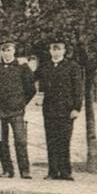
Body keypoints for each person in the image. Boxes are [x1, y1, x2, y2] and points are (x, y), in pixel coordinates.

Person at [36, 38, 84, 180]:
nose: (56, 52)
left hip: (66, 110)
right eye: (53, 49)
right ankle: (53, 171)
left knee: (64, 141)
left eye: (58, 49)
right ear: (50, 51)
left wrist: (76, 108)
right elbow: (35, 81)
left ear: (64, 50)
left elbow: (78, 89)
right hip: (50, 109)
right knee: (51, 140)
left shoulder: (72, 66)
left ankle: (65, 172)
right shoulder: (45, 66)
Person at [0, 40, 36, 179]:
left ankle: (24, 170)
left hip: (16, 111)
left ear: (14, 51)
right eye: (3, 50)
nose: (6, 53)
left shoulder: (23, 67)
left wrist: (21, 103)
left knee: (20, 141)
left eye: (9, 50)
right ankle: (7, 170)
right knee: (0, 141)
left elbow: (31, 89)